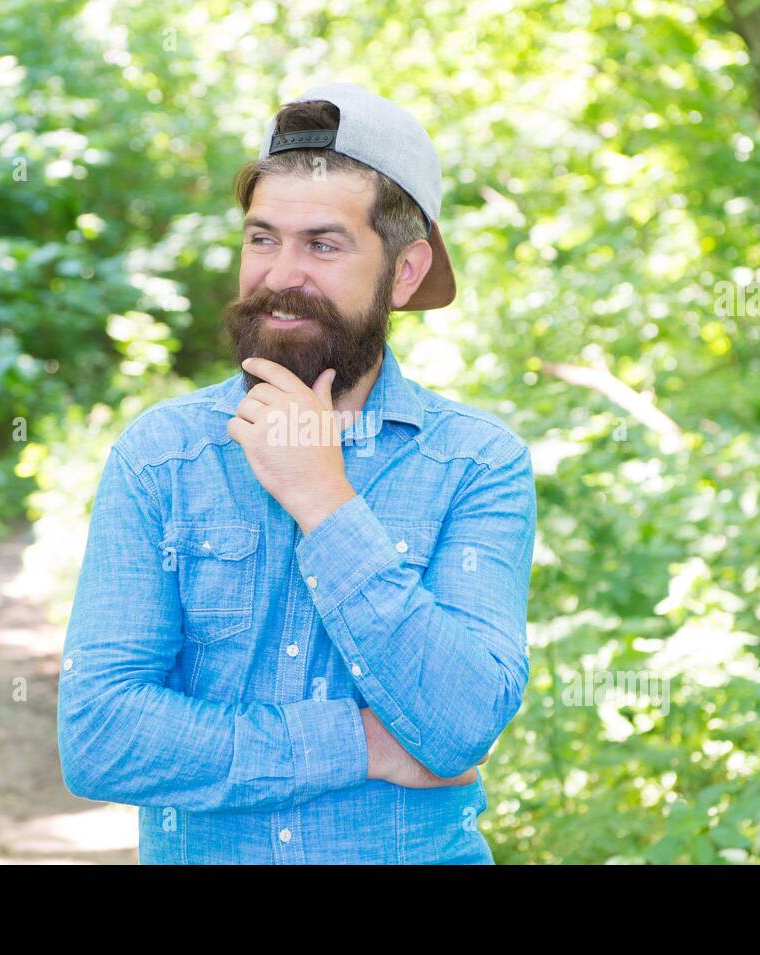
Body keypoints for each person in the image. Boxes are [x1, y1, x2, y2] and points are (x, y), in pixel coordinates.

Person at [57, 82, 537, 864]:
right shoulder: (162, 457)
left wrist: (325, 499)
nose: (281, 274)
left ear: (406, 272)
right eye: (261, 239)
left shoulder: (478, 463)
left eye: (323, 244)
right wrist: (361, 743)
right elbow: (102, 738)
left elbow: (461, 723)